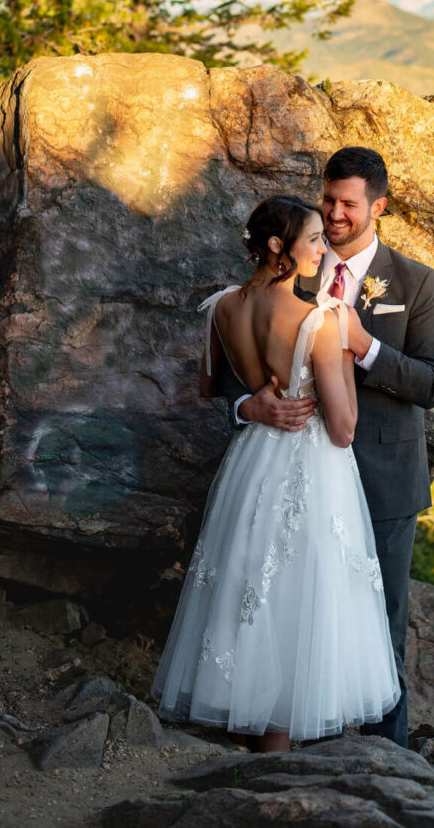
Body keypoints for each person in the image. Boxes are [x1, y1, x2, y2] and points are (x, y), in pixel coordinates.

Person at [150, 195, 400, 751]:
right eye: (312, 239)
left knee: (250, 583)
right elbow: (343, 428)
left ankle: (256, 738)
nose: (321, 247)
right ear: (276, 247)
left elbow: (210, 388)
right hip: (310, 466)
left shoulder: (222, 307)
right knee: (297, 592)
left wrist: (253, 405)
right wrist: (341, 352)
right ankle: (276, 759)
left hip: (253, 458)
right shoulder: (319, 322)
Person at [232, 148, 434, 748]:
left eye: (348, 203)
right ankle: (291, 747)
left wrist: (367, 347)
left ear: (378, 207)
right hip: (294, 475)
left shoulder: (416, 282)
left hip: (382, 477)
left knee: (382, 624)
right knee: (285, 608)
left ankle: (389, 759)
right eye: (327, 199)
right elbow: (235, 366)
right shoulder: (290, 263)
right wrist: (248, 407)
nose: (333, 214)